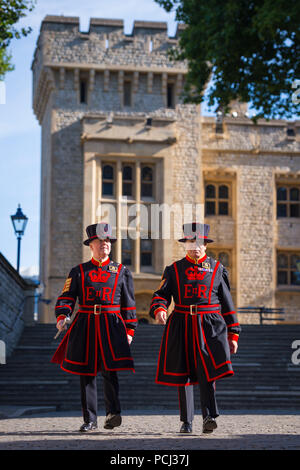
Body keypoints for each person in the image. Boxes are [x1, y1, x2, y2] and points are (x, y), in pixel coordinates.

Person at [149, 223, 241, 434]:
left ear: (205, 245)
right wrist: (160, 309)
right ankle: (186, 421)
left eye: (199, 242)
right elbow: (161, 295)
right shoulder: (173, 269)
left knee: (208, 373)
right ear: (185, 245)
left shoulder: (218, 269)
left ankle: (209, 416)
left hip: (209, 327)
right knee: (184, 376)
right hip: (181, 324)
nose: (196, 246)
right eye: (191, 242)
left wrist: (233, 333)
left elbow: (227, 303)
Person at [51, 223, 137, 432]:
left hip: (112, 326)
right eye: (100, 241)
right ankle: (89, 419)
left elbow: (129, 303)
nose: (105, 244)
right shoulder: (78, 271)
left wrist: (130, 329)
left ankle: (113, 414)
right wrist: (62, 315)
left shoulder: (122, 271)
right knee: (86, 374)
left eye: (107, 241)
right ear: (91, 245)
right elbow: (66, 298)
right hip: (86, 326)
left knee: (110, 372)